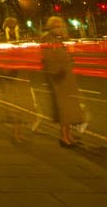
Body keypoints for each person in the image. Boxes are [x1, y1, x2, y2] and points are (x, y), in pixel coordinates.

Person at [41, 15, 85, 148]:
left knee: (70, 109)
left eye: (60, 26)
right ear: (51, 27)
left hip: (67, 78)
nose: (59, 29)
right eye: (57, 26)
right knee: (64, 109)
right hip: (59, 78)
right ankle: (64, 137)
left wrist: (70, 58)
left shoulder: (60, 39)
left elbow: (65, 54)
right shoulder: (47, 39)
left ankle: (69, 135)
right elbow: (47, 58)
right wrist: (56, 71)